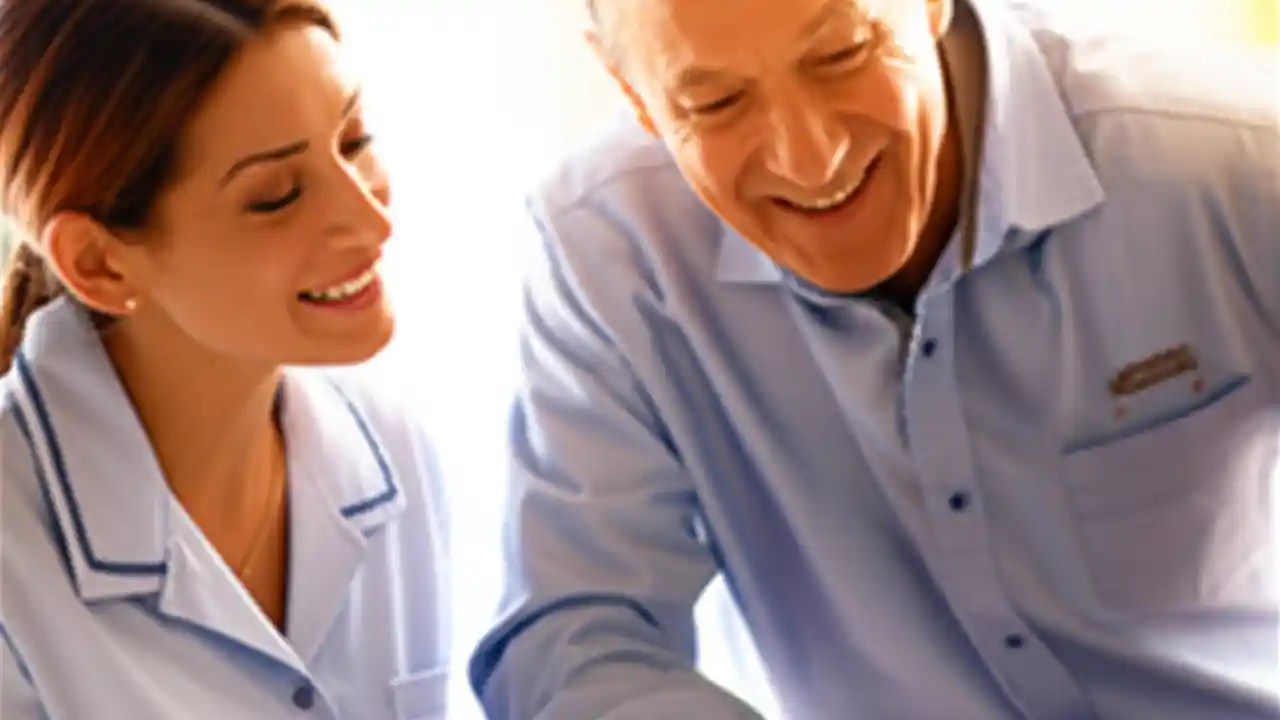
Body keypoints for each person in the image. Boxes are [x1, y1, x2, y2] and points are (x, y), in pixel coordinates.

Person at [469, 0, 1280, 716]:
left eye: (841, 57)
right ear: (631, 92)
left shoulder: (1237, 158)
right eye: (715, 102)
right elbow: (577, 636)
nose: (809, 158)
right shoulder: (606, 250)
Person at [0, 2, 449, 718]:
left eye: (354, 139)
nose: (372, 220)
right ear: (99, 264)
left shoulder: (391, 448)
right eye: (277, 197)